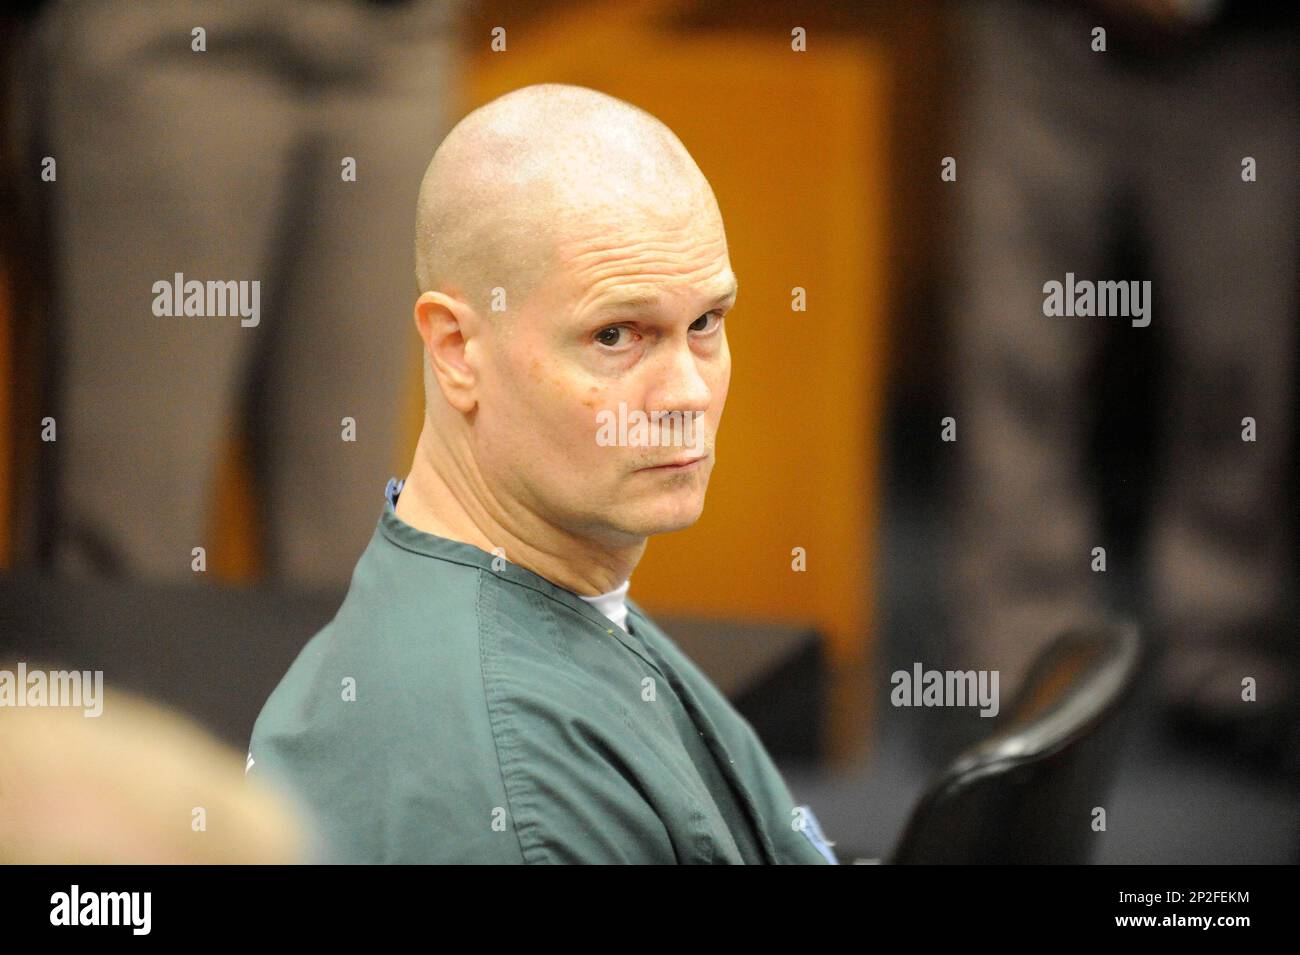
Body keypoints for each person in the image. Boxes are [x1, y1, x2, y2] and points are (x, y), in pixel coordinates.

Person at [247, 84, 838, 864]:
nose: (688, 394)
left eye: (705, 324)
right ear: (458, 349)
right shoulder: (510, 795)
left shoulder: (560, 594)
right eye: (617, 335)